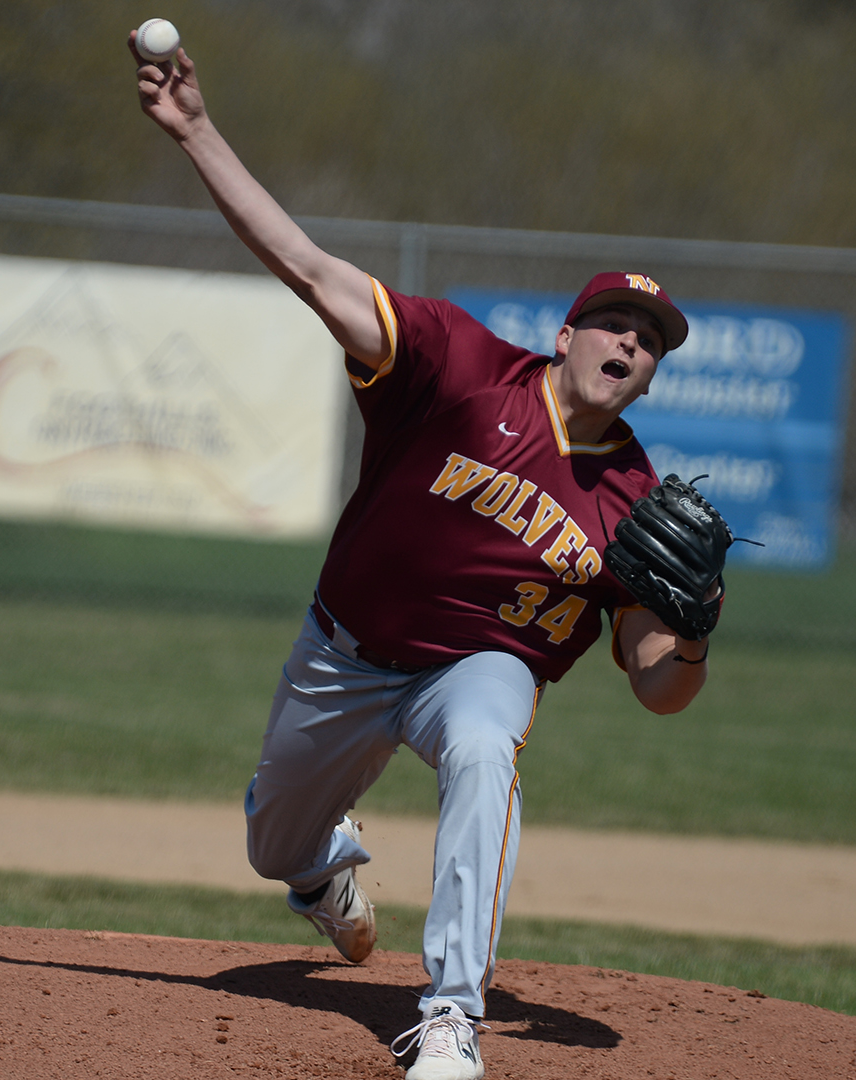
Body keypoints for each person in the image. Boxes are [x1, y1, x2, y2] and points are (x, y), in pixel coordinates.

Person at [134, 41, 714, 1080]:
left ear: (651, 374)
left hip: (476, 672)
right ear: (570, 333)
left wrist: (695, 636)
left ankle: (450, 1017)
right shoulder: (458, 367)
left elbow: (655, 682)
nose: (631, 344)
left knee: (491, 748)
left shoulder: (635, 503)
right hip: (345, 651)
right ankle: (324, 874)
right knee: (271, 847)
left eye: (652, 340)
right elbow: (308, 268)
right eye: (615, 323)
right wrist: (195, 132)